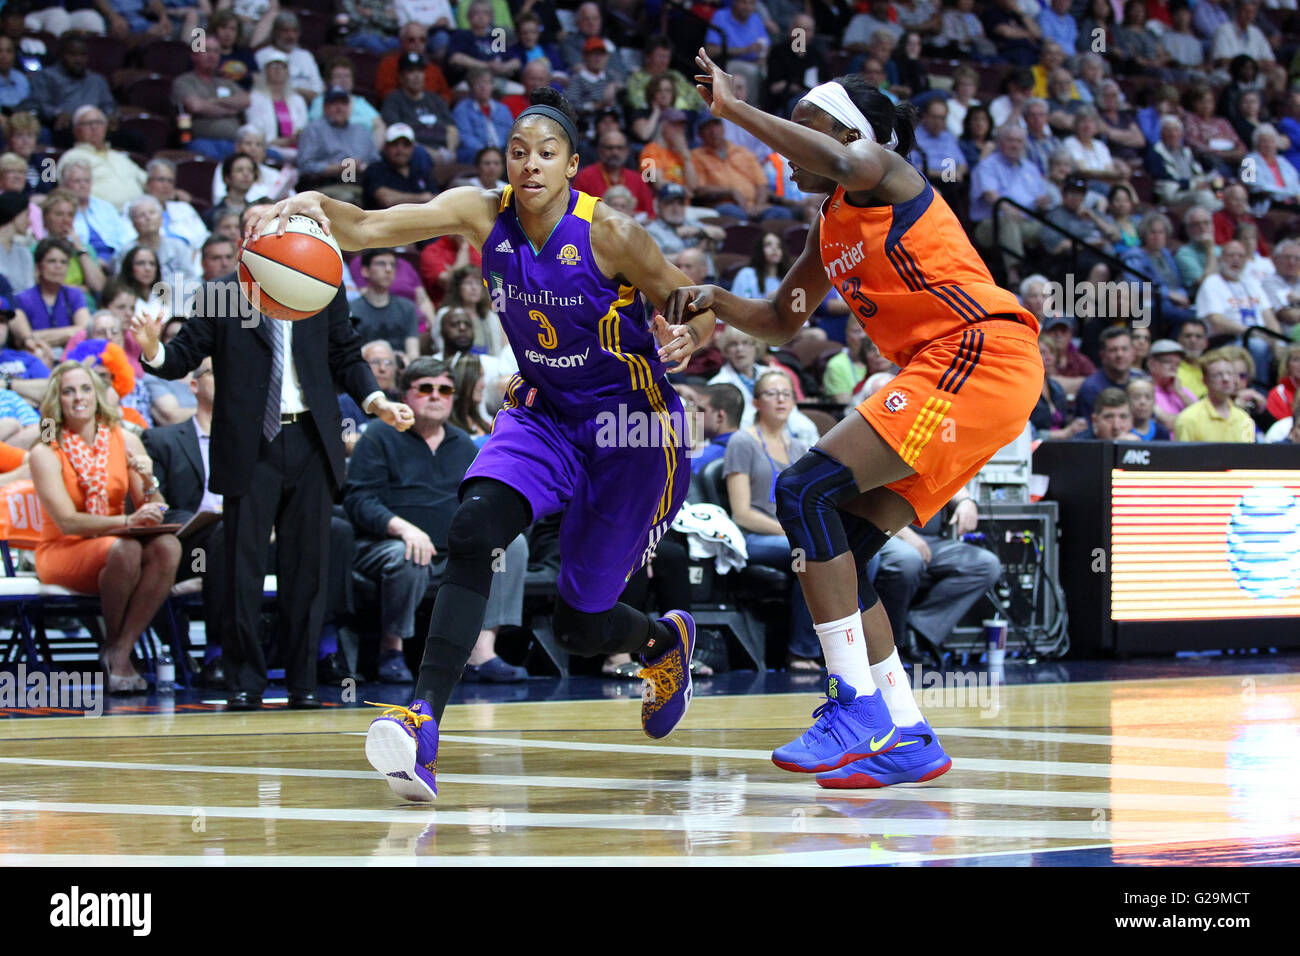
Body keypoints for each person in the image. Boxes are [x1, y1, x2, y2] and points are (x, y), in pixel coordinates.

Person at [247, 85, 717, 801]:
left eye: (546, 154)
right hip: (544, 413)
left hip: (634, 434)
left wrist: (690, 331)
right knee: (473, 528)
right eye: (518, 152)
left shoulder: (613, 234)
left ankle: (659, 643)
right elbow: (373, 227)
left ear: (571, 166)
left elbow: (691, 302)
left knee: (581, 624)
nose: (529, 165)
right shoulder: (479, 209)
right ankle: (422, 720)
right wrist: (314, 208)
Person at [667, 62, 1041, 788]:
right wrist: (713, 297)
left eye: (810, 122)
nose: (797, 141)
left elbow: (839, 160)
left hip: (977, 353)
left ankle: (853, 703)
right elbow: (780, 321)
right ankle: (906, 732)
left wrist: (738, 111)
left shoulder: (881, 170)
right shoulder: (828, 228)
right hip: (966, 374)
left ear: (849, 134)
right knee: (843, 542)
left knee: (805, 489)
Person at [129, 262, 414, 712]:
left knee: (308, 569)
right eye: (254, 228)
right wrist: (153, 349)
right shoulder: (222, 293)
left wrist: (376, 402)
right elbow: (184, 355)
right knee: (243, 565)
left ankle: (303, 683)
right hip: (249, 442)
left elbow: (345, 355)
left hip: (312, 440)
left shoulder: (322, 285)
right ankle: (244, 682)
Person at [345, 358, 530, 685]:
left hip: (452, 548)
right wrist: (403, 529)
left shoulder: (462, 444)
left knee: (511, 545)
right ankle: (391, 649)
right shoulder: (377, 436)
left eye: (444, 390)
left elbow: (479, 498)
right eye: (425, 389)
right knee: (408, 554)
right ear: (405, 396)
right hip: (385, 542)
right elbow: (359, 501)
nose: (436, 396)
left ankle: (481, 652)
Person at [28, 361, 180, 692]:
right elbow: (67, 522)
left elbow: (154, 508)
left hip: (114, 541)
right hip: (63, 549)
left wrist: (148, 478)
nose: (78, 397)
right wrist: (126, 522)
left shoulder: (124, 438)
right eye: (68, 391)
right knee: (125, 549)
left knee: (169, 547)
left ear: (98, 395)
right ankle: (117, 651)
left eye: (85, 389)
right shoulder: (45, 451)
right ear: (58, 400)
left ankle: (120, 647)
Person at [723, 369, 821, 670]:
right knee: (812, 558)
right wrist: (791, 533)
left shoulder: (800, 447)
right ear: (756, 402)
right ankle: (801, 651)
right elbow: (742, 513)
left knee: (853, 557)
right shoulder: (743, 441)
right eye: (771, 393)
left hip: (791, 536)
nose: (780, 399)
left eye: (786, 394)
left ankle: (854, 647)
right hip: (754, 538)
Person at [873, 487, 1000, 659]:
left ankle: (918, 629)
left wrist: (966, 500)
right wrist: (907, 535)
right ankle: (887, 643)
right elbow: (870, 500)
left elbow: (950, 477)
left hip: (931, 540)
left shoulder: (936, 460)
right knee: (907, 560)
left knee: (986, 565)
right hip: (886, 532)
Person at [173, 47, 252, 163]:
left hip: (235, 142)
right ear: (194, 56)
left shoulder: (226, 82)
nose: (212, 56)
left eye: (216, 51)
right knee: (214, 162)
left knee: (273, 156)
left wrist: (213, 101)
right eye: (207, 51)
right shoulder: (185, 81)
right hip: (202, 141)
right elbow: (196, 106)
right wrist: (230, 109)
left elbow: (246, 100)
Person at [382, 54, 458, 167]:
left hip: (443, 149)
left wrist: (450, 152)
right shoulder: (394, 99)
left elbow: (452, 129)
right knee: (419, 154)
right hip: (417, 150)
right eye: (411, 72)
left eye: (420, 71)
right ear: (401, 77)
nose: (417, 76)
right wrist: (431, 152)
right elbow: (397, 133)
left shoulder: (435, 99)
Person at [351, 248, 421, 360]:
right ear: (365, 271)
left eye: (392, 265)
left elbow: (413, 353)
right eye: (381, 264)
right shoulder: (352, 310)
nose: (388, 269)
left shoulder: (407, 307)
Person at [1174, 349, 1257, 441]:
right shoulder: (1188, 419)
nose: (1226, 379)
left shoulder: (1244, 419)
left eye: (1230, 374)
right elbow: (1182, 455)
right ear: (1204, 380)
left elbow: (1248, 454)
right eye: (1217, 375)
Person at [246, 52, 308, 164]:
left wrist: (295, 138)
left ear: (287, 71)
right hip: (268, 149)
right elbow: (254, 130)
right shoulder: (255, 98)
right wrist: (280, 142)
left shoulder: (298, 99)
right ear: (265, 70)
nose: (278, 70)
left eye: (282, 66)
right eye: (273, 66)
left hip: (297, 151)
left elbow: (303, 127)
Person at [1075, 326, 1145, 421]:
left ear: (1133, 354)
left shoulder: (1141, 382)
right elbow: (1091, 431)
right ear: (1102, 356)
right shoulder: (1090, 388)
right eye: (1113, 350)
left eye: (1124, 349)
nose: (1119, 354)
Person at [690, 382, 743, 474]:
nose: (694, 416)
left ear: (719, 416)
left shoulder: (698, 461)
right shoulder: (759, 449)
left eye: (701, 410)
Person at [1147, 338, 1198, 432]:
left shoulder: (1183, 391)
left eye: (1177, 364)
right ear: (1151, 363)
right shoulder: (1144, 391)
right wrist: (1193, 421)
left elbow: (1202, 418)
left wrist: (1180, 393)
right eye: (1167, 362)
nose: (1173, 367)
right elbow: (1168, 422)